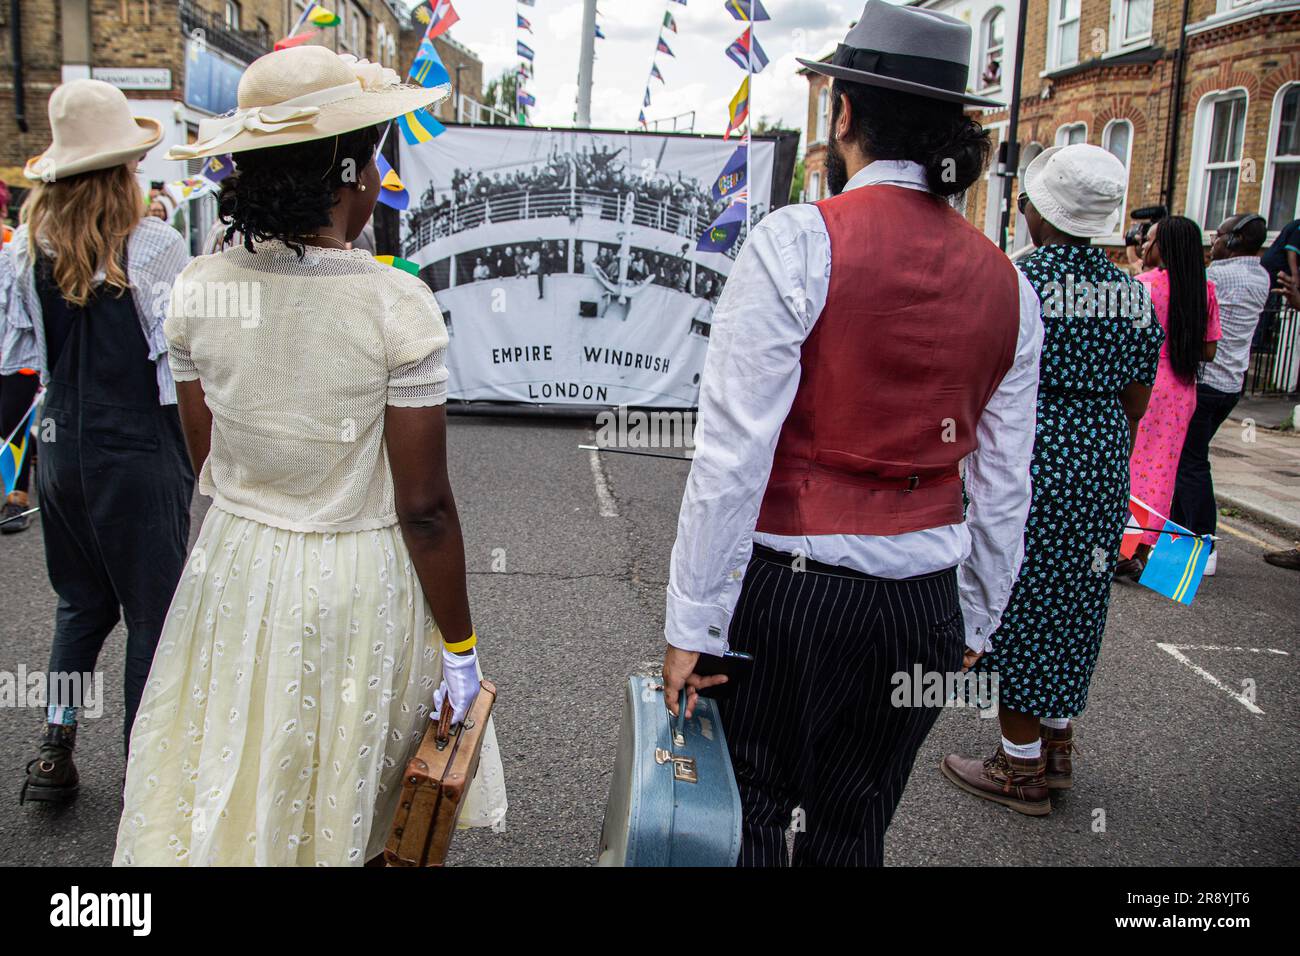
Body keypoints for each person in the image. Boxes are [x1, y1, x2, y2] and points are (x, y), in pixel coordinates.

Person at [661, 0, 1041, 866]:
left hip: (790, 592)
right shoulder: (1010, 286)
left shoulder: (797, 242)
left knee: (752, 810)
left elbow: (733, 454)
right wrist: (975, 614)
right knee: (853, 825)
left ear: (842, 113)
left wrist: (693, 622)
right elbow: (1003, 476)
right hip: (922, 604)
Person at [113, 46, 506, 866]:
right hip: (354, 586)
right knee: (344, 804)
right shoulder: (392, 302)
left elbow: (209, 459)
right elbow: (424, 507)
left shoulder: (198, 289)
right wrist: (462, 651)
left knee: (239, 785)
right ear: (353, 175)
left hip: (235, 568)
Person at [941, 145, 1163, 813]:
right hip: (1099, 460)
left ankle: (1020, 769)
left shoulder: (1014, 280)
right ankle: (1057, 746)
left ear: (1038, 213)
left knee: (1015, 602)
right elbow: (1136, 394)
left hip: (1028, 456)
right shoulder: (1130, 292)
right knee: (1076, 603)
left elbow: (974, 381)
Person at [2, 80, 195, 802]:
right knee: (154, 611)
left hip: (58, 452)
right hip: (137, 451)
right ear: (123, 168)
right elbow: (181, 366)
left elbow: (17, 358)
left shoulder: (27, 248)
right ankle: (146, 771)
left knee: (81, 605)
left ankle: (54, 746)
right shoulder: (153, 247)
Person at [1117, 217, 1222, 579]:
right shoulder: (1203, 290)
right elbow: (1209, 350)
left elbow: (1125, 341)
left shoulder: (1144, 287)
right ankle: (1150, 555)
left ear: (1168, 246)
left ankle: (1122, 549)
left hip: (1144, 385)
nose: (1145, 247)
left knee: (1129, 468)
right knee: (1164, 475)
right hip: (1181, 388)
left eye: (1151, 241)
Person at [1171, 214, 1270, 574]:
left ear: (1233, 241)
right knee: (1187, 459)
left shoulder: (1217, 277)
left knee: (1191, 464)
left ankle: (1204, 542)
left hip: (1207, 382)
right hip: (1231, 385)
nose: (1213, 242)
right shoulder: (1262, 275)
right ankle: (1179, 539)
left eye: (1219, 236)